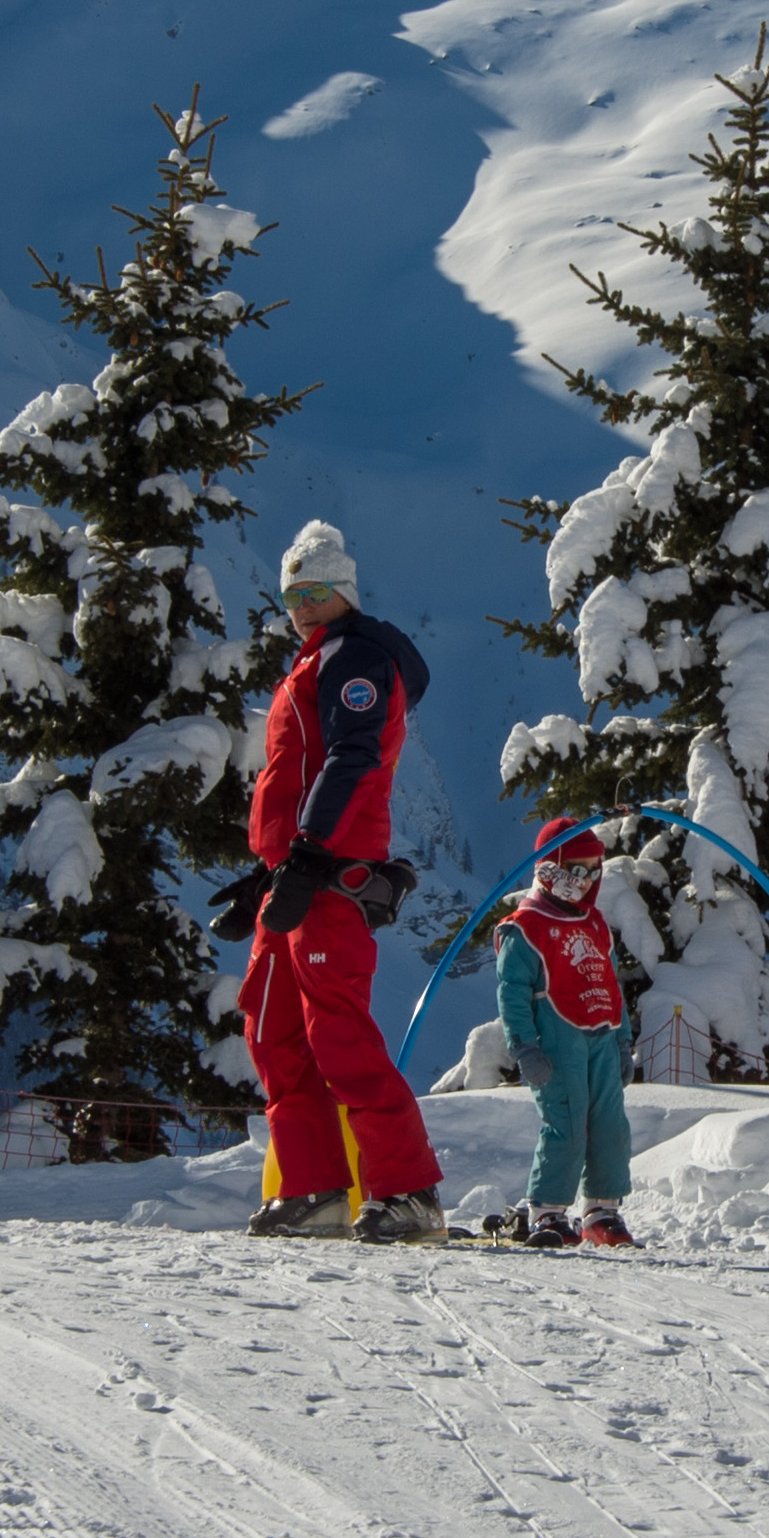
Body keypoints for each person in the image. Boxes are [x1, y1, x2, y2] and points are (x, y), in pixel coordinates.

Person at [238, 522, 446, 1242]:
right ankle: (316, 1189)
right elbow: (296, 773)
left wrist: (305, 853)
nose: (302, 604)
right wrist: (264, 870)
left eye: (317, 591)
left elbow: (352, 758)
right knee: (273, 1029)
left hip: (327, 878)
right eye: (293, 593)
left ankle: (408, 1191)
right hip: (292, 875)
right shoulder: (315, 659)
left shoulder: (355, 658)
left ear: (345, 592)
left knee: (339, 1036)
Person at [493, 816, 637, 1246]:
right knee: (567, 1125)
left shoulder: (595, 924)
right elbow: (512, 992)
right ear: (552, 870)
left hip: (601, 1034)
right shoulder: (526, 927)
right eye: (578, 870)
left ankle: (602, 1209)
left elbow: (611, 985)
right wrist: (524, 1048)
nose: (588, 880)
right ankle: (548, 1210)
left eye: (595, 870)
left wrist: (623, 1037)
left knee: (610, 1125)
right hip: (557, 1041)